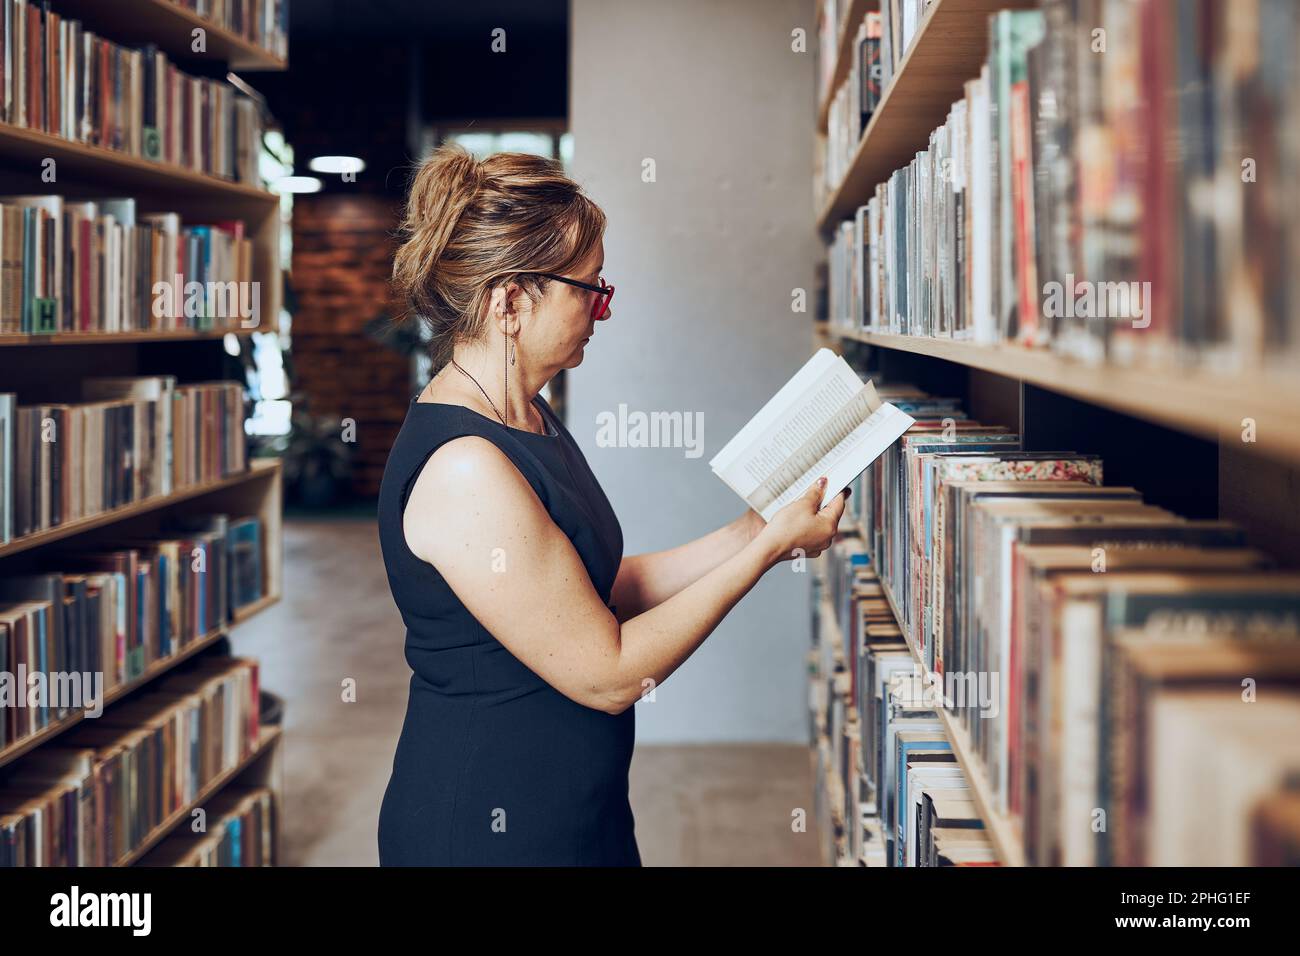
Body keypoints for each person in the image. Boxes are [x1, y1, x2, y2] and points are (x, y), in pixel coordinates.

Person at [376, 144, 847, 865]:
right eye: (589, 289)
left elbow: (601, 590)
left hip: (576, 808)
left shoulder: (526, 416)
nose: (603, 308)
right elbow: (609, 674)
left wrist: (751, 528)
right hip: (486, 827)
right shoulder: (465, 468)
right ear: (509, 301)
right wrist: (767, 552)